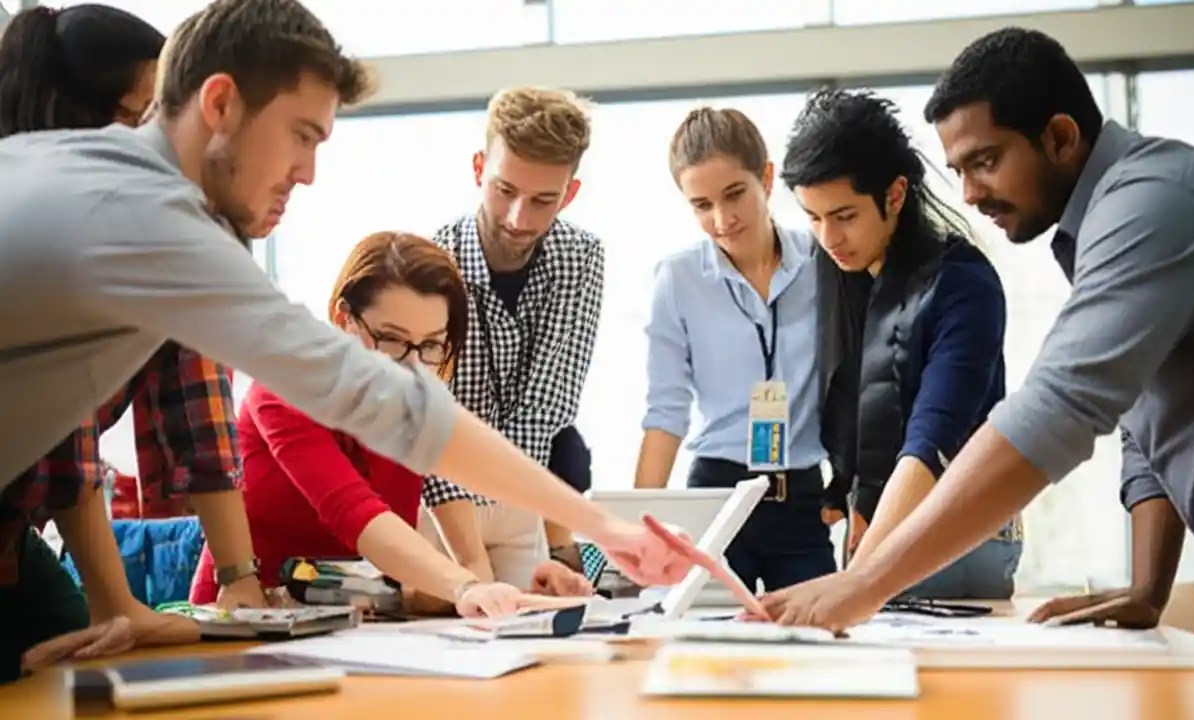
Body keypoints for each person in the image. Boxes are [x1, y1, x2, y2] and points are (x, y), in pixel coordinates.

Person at [0, 0, 689, 677]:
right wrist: (610, 529)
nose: (308, 172)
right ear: (220, 103)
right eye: (303, 135)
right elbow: (390, 405)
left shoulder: (64, 165)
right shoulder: (153, 220)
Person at [760, 27, 1194, 641]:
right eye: (959, 169)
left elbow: (1055, 411)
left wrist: (862, 584)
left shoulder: (1150, 206)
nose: (971, 193)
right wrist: (1148, 590)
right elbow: (1143, 414)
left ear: (1060, 137)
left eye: (986, 161)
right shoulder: (1108, 221)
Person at [0, 3, 264, 683]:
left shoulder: (145, 222)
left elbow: (195, 383)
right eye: (141, 119)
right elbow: (66, 427)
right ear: (75, 121)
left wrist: (242, 584)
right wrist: (116, 605)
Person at [188, 232, 592, 612]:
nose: (411, 369)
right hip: (240, 614)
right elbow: (352, 511)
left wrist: (519, 594)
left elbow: (396, 585)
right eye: (392, 340)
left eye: (430, 345)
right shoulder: (285, 384)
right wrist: (467, 587)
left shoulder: (412, 412)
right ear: (342, 317)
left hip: (340, 618)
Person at [781, 88, 1021, 600]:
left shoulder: (964, 285)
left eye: (844, 215)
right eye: (813, 217)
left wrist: (855, 584)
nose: (828, 238)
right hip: (876, 534)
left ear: (894, 196)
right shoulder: (843, 268)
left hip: (959, 537)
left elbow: (929, 444)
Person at [634, 107, 834, 592]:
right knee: (707, 653)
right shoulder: (677, 279)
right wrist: (633, 534)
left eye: (734, 194)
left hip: (803, 499)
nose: (722, 219)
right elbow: (666, 411)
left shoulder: (824, 262)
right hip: (715, 498)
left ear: (766, 177)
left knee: (820, 648)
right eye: (701, 204)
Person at [417, 86, 605, 589]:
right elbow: (430, 425)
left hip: (525, 496)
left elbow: (548, 408)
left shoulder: (581, 258)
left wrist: (557, 546)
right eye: (505, 191)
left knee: (552, 630)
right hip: (441, 502)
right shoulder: (433, 265)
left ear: (570, 193)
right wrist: (474, 565)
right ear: (479, 169)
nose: (520, 218)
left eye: (544, 200)